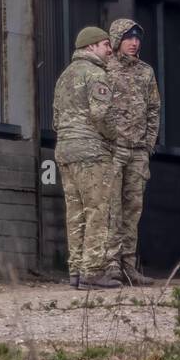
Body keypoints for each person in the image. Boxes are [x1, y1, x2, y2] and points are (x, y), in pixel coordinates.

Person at [53, 26, 120, 290]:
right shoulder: (96, 74)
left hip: (65, 151)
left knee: (75, 212)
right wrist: (114, 137)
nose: (110, 51)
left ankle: (75, 271)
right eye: (106, 45)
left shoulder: (64, 77)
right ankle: (92, 272)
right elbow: (101, 115)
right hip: (91, 152)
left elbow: (56, 119)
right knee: (97, 210)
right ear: (91, 47)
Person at [105, 19, 158, 286]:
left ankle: (128, 265)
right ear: (116, 40)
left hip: (137, 151)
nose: (134, 43)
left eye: (137, 38)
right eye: (128, 38)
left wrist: (148, 145)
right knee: (111, 206)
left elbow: (154, 110)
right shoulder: (104, 68)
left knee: (133, 208)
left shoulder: (146, 72)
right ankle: (110, 264)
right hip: (113, 150)